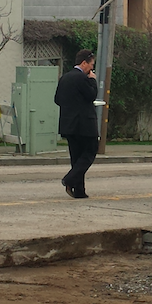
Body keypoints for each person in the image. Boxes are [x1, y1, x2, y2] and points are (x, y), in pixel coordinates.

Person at [54, 49, 99, 199]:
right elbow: (91, 95)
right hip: (84, 125)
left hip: (68, 125)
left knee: (76, 157)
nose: (91, 69)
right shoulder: (82, 78)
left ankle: (79, 190)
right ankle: (69, 179)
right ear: (84, 62)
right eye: (91, 65)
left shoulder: (64, 78)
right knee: (89, 153)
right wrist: (93, 80)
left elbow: (57, 100)